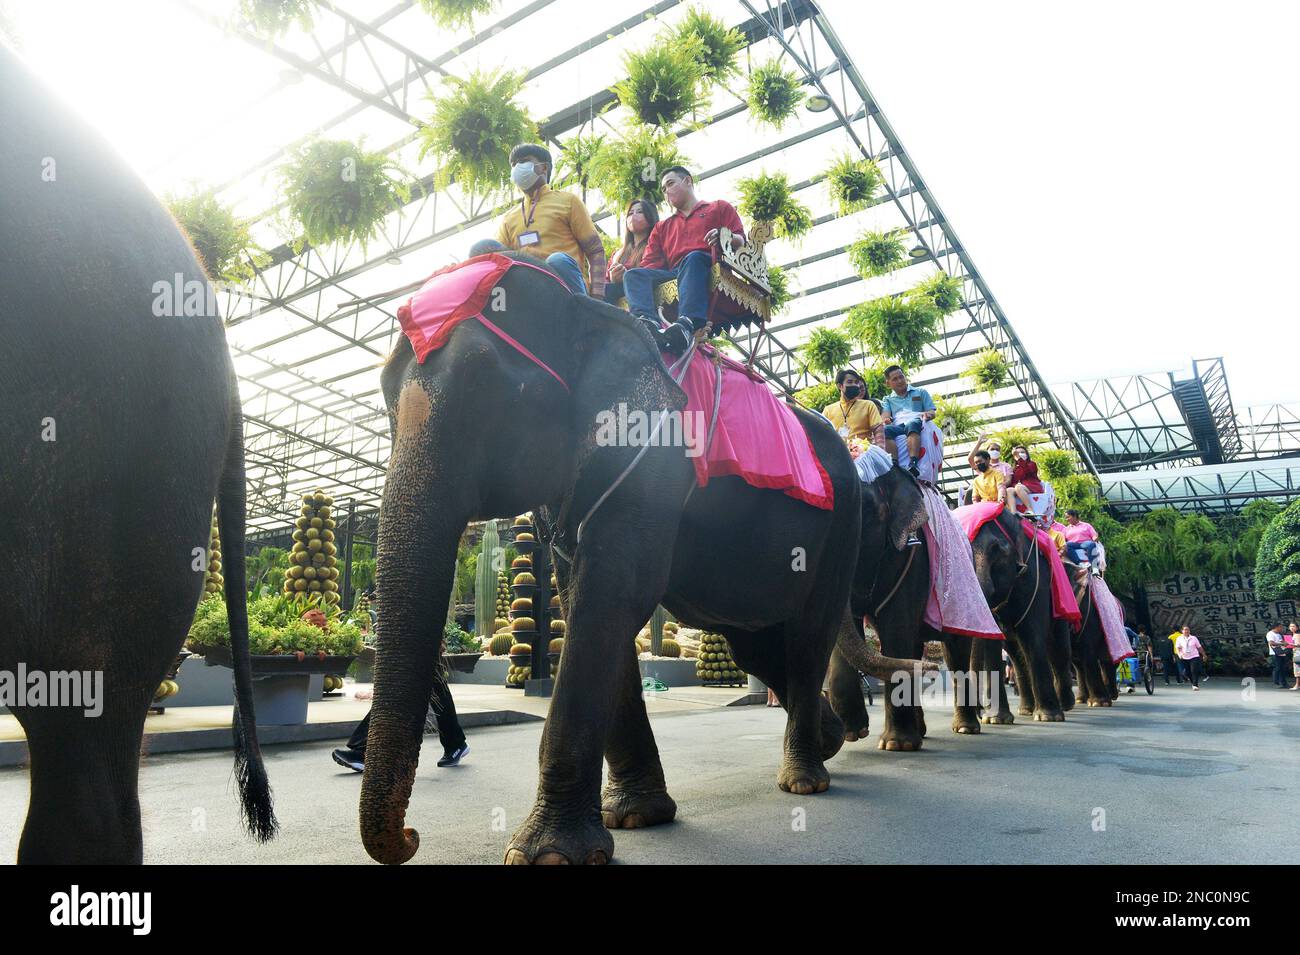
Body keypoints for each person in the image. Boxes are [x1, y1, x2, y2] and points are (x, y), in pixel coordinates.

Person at [625, 165, 746, 353]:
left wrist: (724, 236)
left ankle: (687, 322)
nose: (666, 192)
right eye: (663, 190)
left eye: (670, 184)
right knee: (634, 275)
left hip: (709, 265)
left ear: (688, 181)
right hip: (677, 272)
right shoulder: (662, 227)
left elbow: (740, 240)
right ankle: (646, 322)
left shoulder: (718, 207)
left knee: (694, 258)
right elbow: (650, 264)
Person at [468, 143, 607, 298]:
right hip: (528, 287)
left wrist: (598, 297)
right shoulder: (510, 218)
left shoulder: (568, 201)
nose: (517, 167)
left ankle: (581, 309)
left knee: (558, 259)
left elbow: (595, 251)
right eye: (514, 164)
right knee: (480, 248)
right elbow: (497, 260)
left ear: (544, 168)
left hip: (565, 283)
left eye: (524, 161)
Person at [332, 638, 469, 772]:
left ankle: (363, 750)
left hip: (419, 633)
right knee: (432, 684)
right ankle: (455, 743)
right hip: (414, 633)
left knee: (400, 686)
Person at [879, 365, 936, 478]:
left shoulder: (920, 392)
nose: (900, 381)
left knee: (912, 424)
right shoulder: (888, 400)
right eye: (895, 379)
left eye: (901, 377)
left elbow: (932, 412)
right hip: (899, 426)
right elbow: (885, 417)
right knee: (885, 430)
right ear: (888, 383)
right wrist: (886, 420)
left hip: (917, 422)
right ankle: (894, 465)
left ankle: (913, 463)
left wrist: (926, 415)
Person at [604, 198, 659, 304]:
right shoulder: (617, 254)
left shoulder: (655, 245)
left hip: (644, 294)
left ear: (650, 217)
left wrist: (626, 276)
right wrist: (613, 278)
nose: (633, 216)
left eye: (639, 212)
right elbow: (606, 282)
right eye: (630, 213)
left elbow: (653, 271)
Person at [822, 368, 884, 447]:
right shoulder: (828, 410)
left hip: (863, 454)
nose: (854, 385)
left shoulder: (868, 405)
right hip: (838, 454)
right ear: (840, 386)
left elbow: (878, 429)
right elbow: (821, 434)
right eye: (850, 382)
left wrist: (881, 451)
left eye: (856, 382)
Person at [1006, 446, 1045, 520]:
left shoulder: (1032, 464)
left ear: (1027, 454)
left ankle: (1031, 511)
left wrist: (1019, 459)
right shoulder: (1015, 468)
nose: (1020, 454)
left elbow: (1027, 471)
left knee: (1018, 487)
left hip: (1032, 487)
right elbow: (1013, 481)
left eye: (1022, 452)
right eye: (1017, 453)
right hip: (1020, 488)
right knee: (1009, 490)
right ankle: (1013, 513)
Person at [1174, 625, 1207, 690]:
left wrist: (1204, 655)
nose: (1186, 631)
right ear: (1182, 631)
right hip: (1184, 657)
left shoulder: (1194, 638)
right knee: (1188, 672)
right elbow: (1178, 648)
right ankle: (1193, 683)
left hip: (1194, 656)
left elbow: (1199, 647)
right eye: (1185, 630)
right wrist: (1179, 654)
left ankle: (1195, 685)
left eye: (1188, 630)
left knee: (1194, 670)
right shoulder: (1179, 638)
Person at [1266, 623, 1289, 688]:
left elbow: (1281, 642)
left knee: (1282, 668)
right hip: (1275, 653)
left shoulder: (1278, 634)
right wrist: (1282, 644)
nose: (1281, 629)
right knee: (1277, 668)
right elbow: (1271, 643)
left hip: (1282, 652)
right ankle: (1276, 682)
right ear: (1276, 627)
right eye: (1280, 627)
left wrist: (1285, 642)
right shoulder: (1270, 634)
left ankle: (1284, 683)